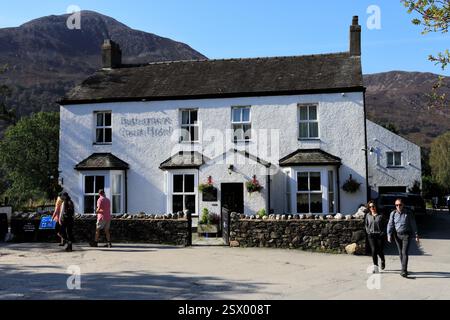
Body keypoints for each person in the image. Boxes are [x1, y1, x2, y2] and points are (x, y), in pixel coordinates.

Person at [387, 198, 420, 278]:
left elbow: (413, 224)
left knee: (404, 252)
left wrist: (416, 235)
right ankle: (403, 268)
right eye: (396, 205)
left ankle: (404, 270)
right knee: (400, 252)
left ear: (403, 205)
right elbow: (390, 224)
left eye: (400, 204)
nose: (398, 206)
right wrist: (389, 234)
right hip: (397, 235)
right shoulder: (393, 213)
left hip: (406, 235)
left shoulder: (408, 213)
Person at [365, 200, 386, 273]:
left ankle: (383, 260)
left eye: (373, 206)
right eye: (370, 207)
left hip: (380, 235)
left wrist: (383, 232)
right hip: (371, 235)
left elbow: (385, 225)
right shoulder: (368, 215)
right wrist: (368, 232)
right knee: (373, 251)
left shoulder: (381, 215)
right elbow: (366, 225)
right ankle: (376, 267)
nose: (372, 208)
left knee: (379, 250)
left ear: (375, 206)